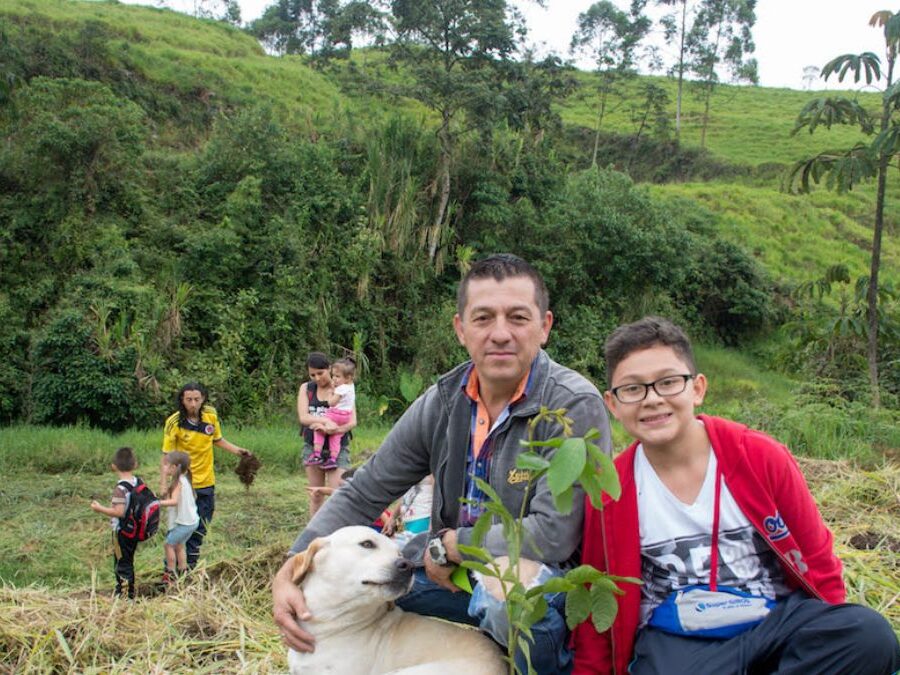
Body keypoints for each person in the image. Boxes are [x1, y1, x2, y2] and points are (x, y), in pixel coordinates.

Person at [273, 254, 613, 675]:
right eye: (483, 318)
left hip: (530, 580)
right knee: (338, 578)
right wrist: (290, 568)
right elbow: (364, 491)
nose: (500, 334)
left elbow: (553, 536)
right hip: (444, 574)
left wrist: (452, 544)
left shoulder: (571, 403)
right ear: (461, 329)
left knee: (508, 601)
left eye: (518, 317)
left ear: (544, 327)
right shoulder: (444, 401)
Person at [572, 316, 900, 674]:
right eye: (633, 389)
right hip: (681, 636)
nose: (652, 400)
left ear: (697, 388)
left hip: (772, 615)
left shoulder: (759, 456)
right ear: (612, 403)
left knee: (869, 636)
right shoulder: (611, 487)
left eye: (668, 382)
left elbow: (816, 558)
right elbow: (599, 591)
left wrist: (828, 626)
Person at [161, 382, 252, 569]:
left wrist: (238, 451)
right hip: (184, 484)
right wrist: (164, 485)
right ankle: (170, 571)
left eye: (197, 399)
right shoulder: (174, 422)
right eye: (189, 400)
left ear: (203, 399)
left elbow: (217, 440)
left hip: (207, 482)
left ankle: (189, 568)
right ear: (182, 400)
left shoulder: (210, 415)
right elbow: (166, 456)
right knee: (181, 528)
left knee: (200, 527)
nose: (193, 404)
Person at [297, 353, 357, 518]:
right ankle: (313, 534)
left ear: (329, 369)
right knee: (316, 495)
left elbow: (352, 421)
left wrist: (334, 430)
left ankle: (337, 537)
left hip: (337, 449)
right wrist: (325, 422)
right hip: (312, 447)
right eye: (312, 374)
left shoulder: (343, 388)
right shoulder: (306, 389)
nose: (317, 378)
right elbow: (304, 417)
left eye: (320, 373)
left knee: (337, 496)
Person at [89, 446, 143, 599]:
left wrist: (99, 508)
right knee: (128, 560)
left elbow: (119, 512)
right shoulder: (138, 482)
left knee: (122, 563)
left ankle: (125, 596)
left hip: (122, 532)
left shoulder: (120, 489)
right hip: (135, 529)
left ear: (114, 466)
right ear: (135, 465)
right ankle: (128, 591)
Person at [306, 358, 357, 471]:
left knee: (318, 428)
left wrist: (330, 394)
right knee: (335, 437)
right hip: (345, 417)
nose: (334, 378)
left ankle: (316, 454)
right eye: (334, 376)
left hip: (335, 414)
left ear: (348, 378)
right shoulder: (351, 386)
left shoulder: (341, 389)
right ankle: (333, 459)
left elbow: (332, 403)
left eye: (337, 376)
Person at [157, 451, 199, 585]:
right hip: (191, 522)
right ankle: (183, 572)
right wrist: (163, 476)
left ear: (174, 467)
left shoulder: (178, 483)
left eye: (166, 465)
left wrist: (156, 503)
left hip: (185, 524)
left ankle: (170, 574)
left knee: (168, 545)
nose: (164, 467)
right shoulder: (183, 479)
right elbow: (164, 493)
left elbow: (173, 501)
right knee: (179, 546)